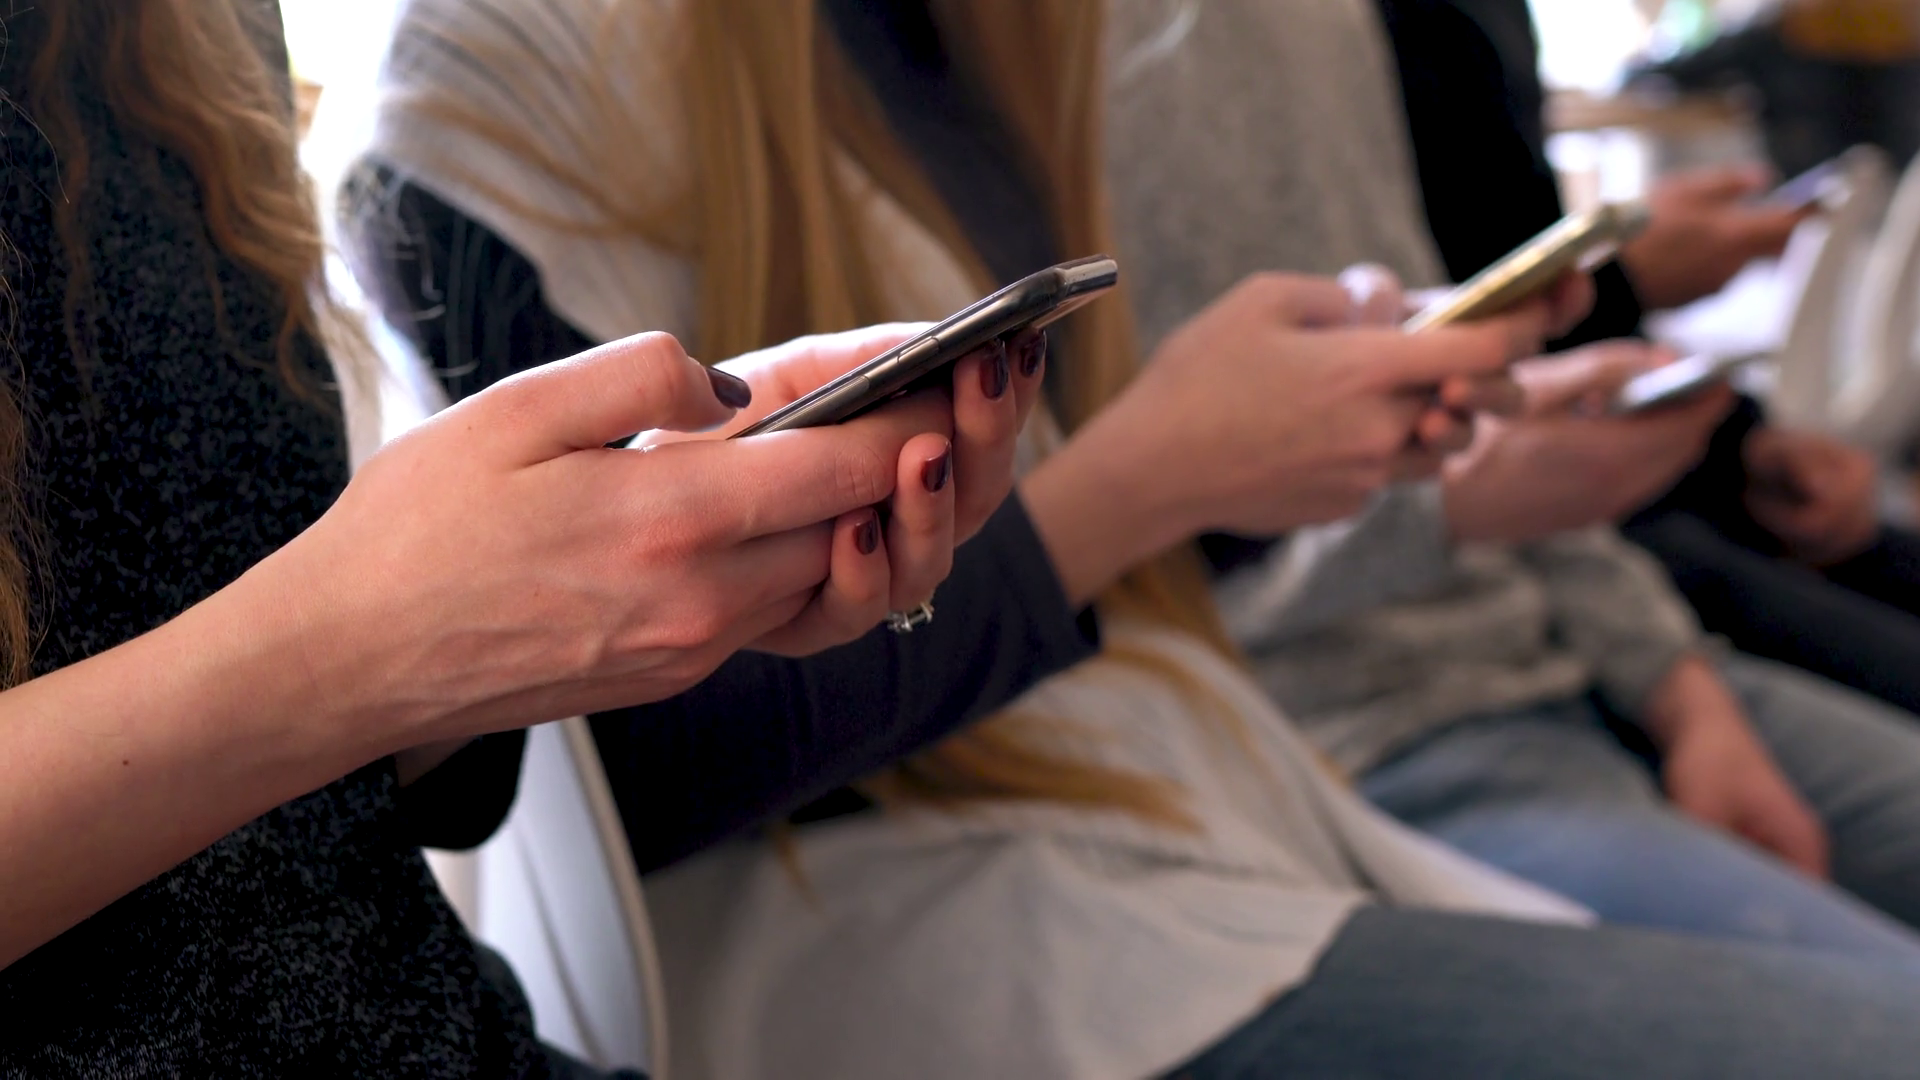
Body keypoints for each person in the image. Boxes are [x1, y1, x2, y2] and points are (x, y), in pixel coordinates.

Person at [355, 0, 1920, 1077]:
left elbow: (1108, 569)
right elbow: (599, 778)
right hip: (927, 912)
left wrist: (1254, 475)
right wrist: (1168, 479)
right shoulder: (523, 87)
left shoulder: (967, 51)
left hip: (1189, 800)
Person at [0, 1, 1095, 1075]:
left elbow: (321, 802)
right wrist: (357, 647)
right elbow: (323, 667)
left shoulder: (182, 37)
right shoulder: (462, 80)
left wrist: (568, 574)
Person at [1382, 0, 1920, 717]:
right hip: (1559, 547)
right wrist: (1624, 281)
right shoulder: (1393, 33)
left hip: (1644, 503)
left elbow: (1503, 284)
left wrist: (1743, 444)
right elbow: (1456, 355)